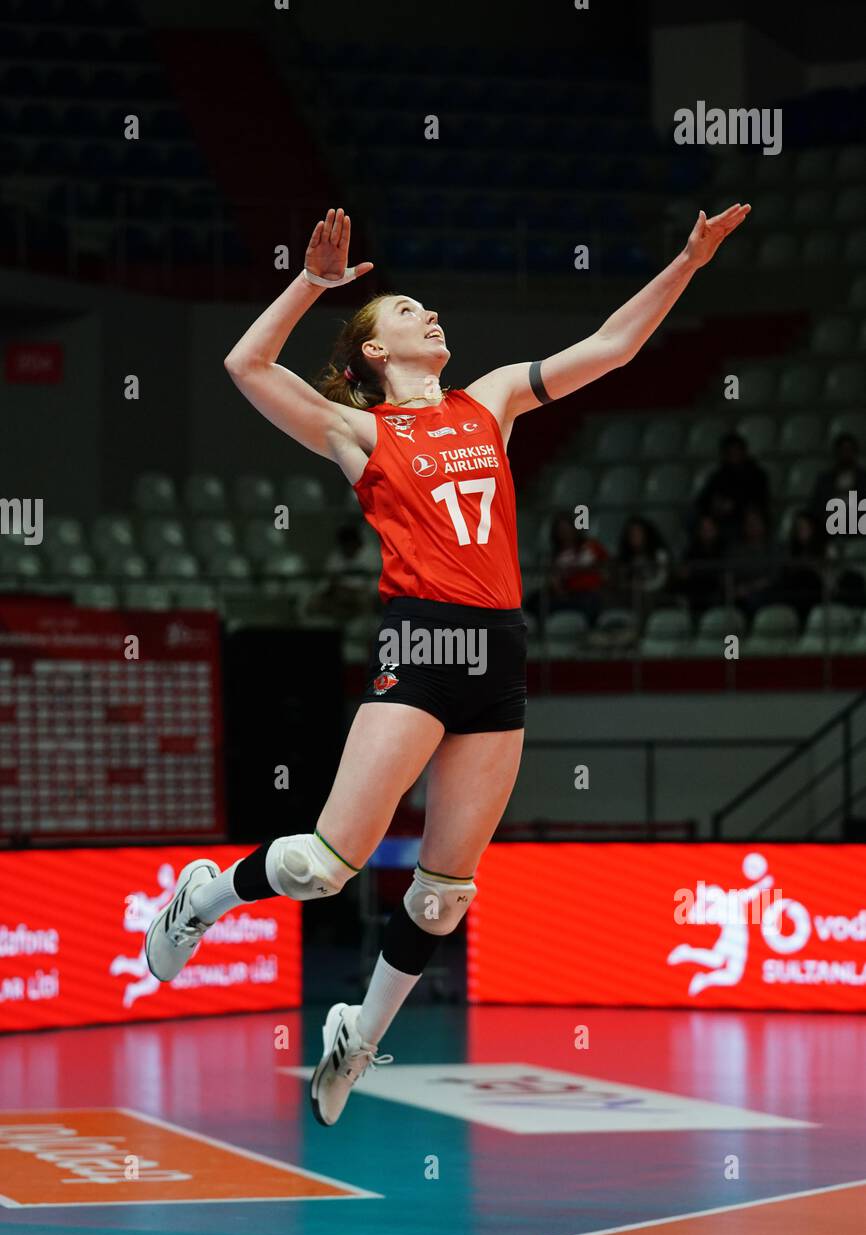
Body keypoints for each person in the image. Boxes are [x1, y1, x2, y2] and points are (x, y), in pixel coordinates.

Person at [145, 200, 750, 1127]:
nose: (430, 316)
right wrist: (313, 283)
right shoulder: (361, 434)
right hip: (422, 644)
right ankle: (208, 892)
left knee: (443, 896)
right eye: (406, 312)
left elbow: (614, 346)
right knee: (322, 864)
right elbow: (244, 365)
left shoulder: (494, 398)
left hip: (500, 653)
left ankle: (358, 1030)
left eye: (428, 308)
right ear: (376, 354)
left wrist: (690, 261)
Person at [526, 513, 609, 628]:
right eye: (560, 529)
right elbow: (556, 584)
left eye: (567, 528)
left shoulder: (591, 546)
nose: (564, 532)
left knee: (591, 602)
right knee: (535, 600)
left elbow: (608, 567)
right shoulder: (556, 557)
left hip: (590, 593)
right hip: (568, 595)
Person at [694, 431, 769, 542]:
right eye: (730, 452)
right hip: (722, 519)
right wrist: (715, 506)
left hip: (746, 517)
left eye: (736, 451)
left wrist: (734, 506)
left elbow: (761, 500)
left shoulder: (756, 474)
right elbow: (703, 500)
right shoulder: (719, 476)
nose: (734, 455)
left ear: (744, 452)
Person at [306, 522, 379, 620]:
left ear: (357, 543)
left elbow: (375, 588)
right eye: (345, 545)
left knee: (365, 601)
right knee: (313, 603)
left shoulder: (371, 555)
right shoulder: (336, 556)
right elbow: (325, 584)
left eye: (350, 544)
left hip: (362, 597)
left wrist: (352, 592)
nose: (347, 549)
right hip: (338, 596)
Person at [612, 514, 670, 617]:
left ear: (646, 534)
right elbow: (621, 582)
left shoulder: (659, 554)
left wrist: (642, 586)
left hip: (656, 597)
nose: (635, 537)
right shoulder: (625, 558)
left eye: (638, 533)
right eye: (631, 534)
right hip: (630, 599)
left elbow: (661, 580)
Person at [728, 504, 779, 618]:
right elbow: (730, 575)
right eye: (749, 523)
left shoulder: (772, 549)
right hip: (740, 594)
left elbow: (774, 576)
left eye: (755, 523)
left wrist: (751, 587)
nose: (752, 527)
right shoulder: (737, 550)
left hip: (765, 593)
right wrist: (737, 589)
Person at [676, 513, 727, 618]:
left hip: (717, 594)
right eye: (704, 528)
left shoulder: (724, 549)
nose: (707, 531)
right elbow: (683, 573)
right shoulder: (692, 550)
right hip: (696, 594)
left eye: (710, 528)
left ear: (716, 529)